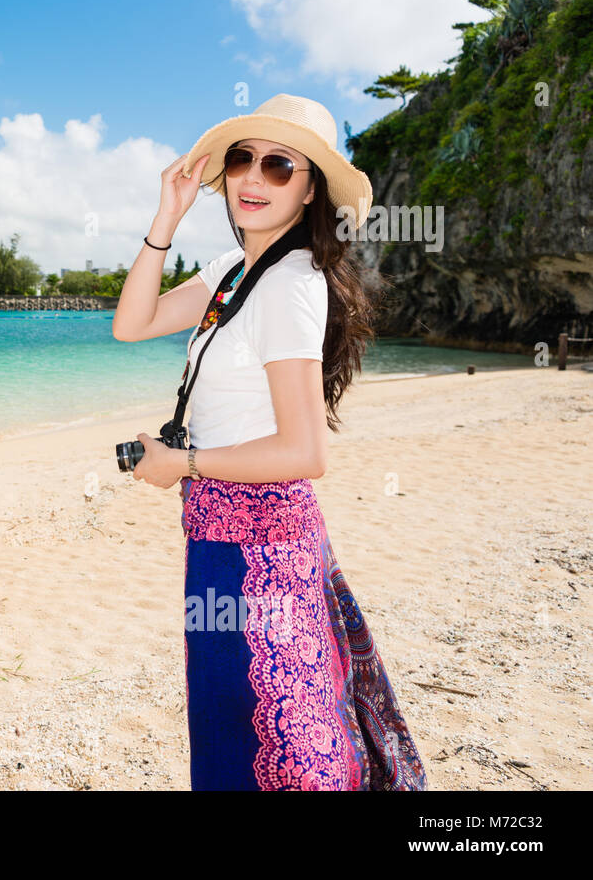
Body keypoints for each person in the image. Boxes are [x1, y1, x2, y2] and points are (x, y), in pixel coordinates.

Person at [112, 93, 427, 790]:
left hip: (265, 548)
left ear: (310, 186)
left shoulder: (291, 283)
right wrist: (167, 218)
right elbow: (131, 323)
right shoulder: (233, 269)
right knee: (233, 731)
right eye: (242, 160)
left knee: (287, 748)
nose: (254, 178)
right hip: (218, 537)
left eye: (279, 165)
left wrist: (181, 462)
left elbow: (307, 451)